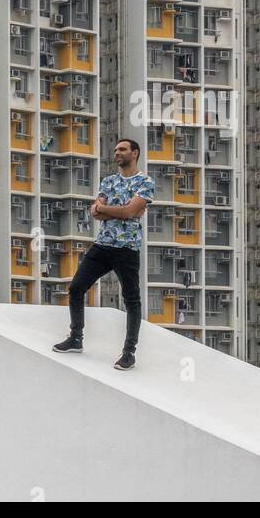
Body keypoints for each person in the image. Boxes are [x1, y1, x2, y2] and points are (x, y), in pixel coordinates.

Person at [53, 139, 155, 370]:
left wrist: (114, 210)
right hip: (102, 245)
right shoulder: (108, 181)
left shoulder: (145, 182)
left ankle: (129, 352)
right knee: (76, 288)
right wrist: (123, 211)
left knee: (132, 300)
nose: (117, 152)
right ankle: (76, 337)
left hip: (127, 248)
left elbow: (128, 211)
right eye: (116, 149)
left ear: (134, 153)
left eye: (122, 149)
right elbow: (97, 213)